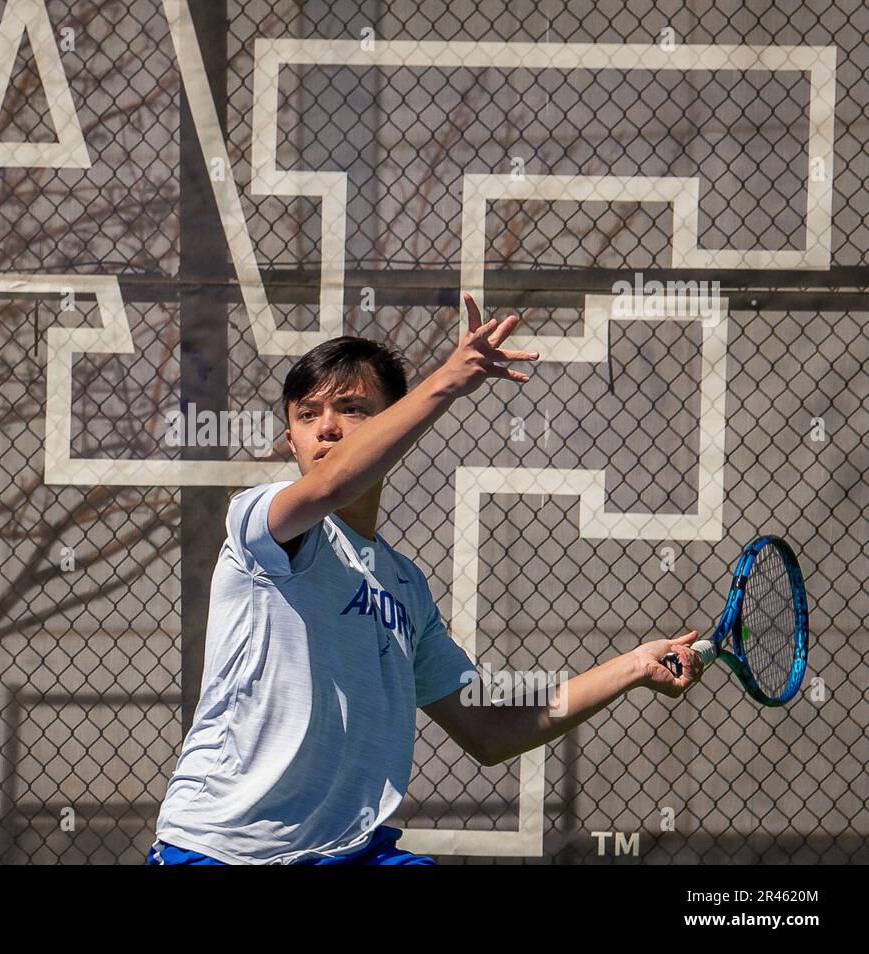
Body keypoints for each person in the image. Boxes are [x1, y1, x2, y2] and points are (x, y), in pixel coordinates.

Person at [149, 294, 705, 865]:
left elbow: (488, 730)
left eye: (353, 409)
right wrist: (447, 380)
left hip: (347, 852)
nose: (329, 429)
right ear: (290, 441)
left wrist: (634, 666)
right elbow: (328, 489)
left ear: (393, 426)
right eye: (308, 414)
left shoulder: (405, 588)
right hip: (219, 848)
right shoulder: (262, 524)